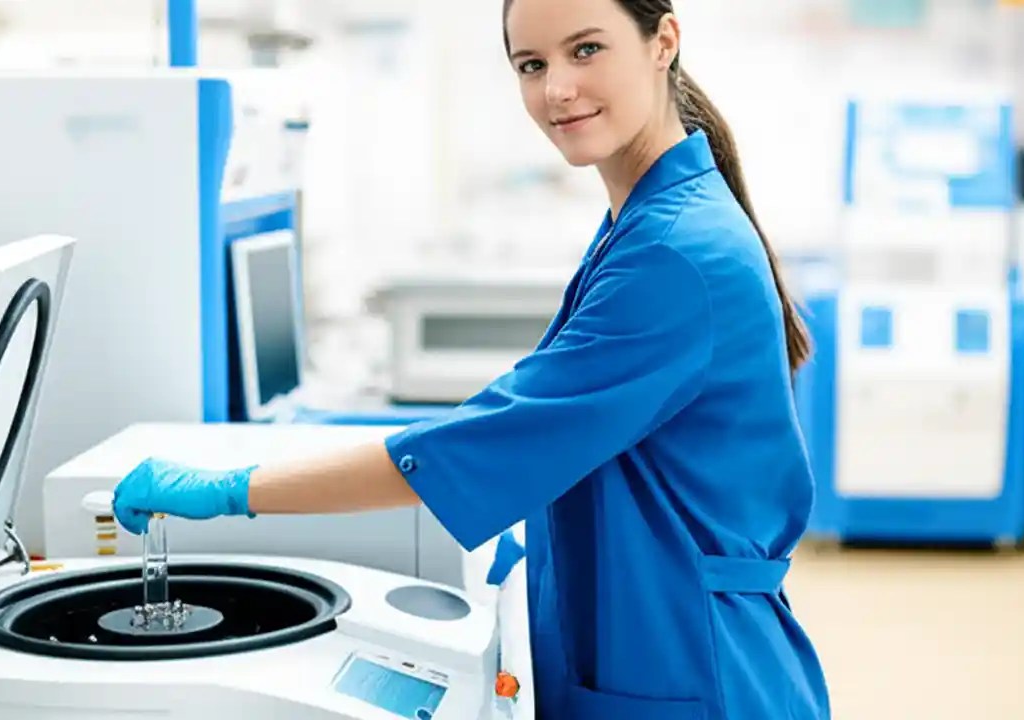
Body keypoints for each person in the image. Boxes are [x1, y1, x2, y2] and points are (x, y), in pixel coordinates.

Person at [112, 0, 831, 716]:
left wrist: (232, 492)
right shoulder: (645, 219)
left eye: (586, 50)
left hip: (692, 667)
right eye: (532, 64)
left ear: (662, 41)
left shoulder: (674, 253)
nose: (557, 89)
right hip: (659, 636)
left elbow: (486, 442)